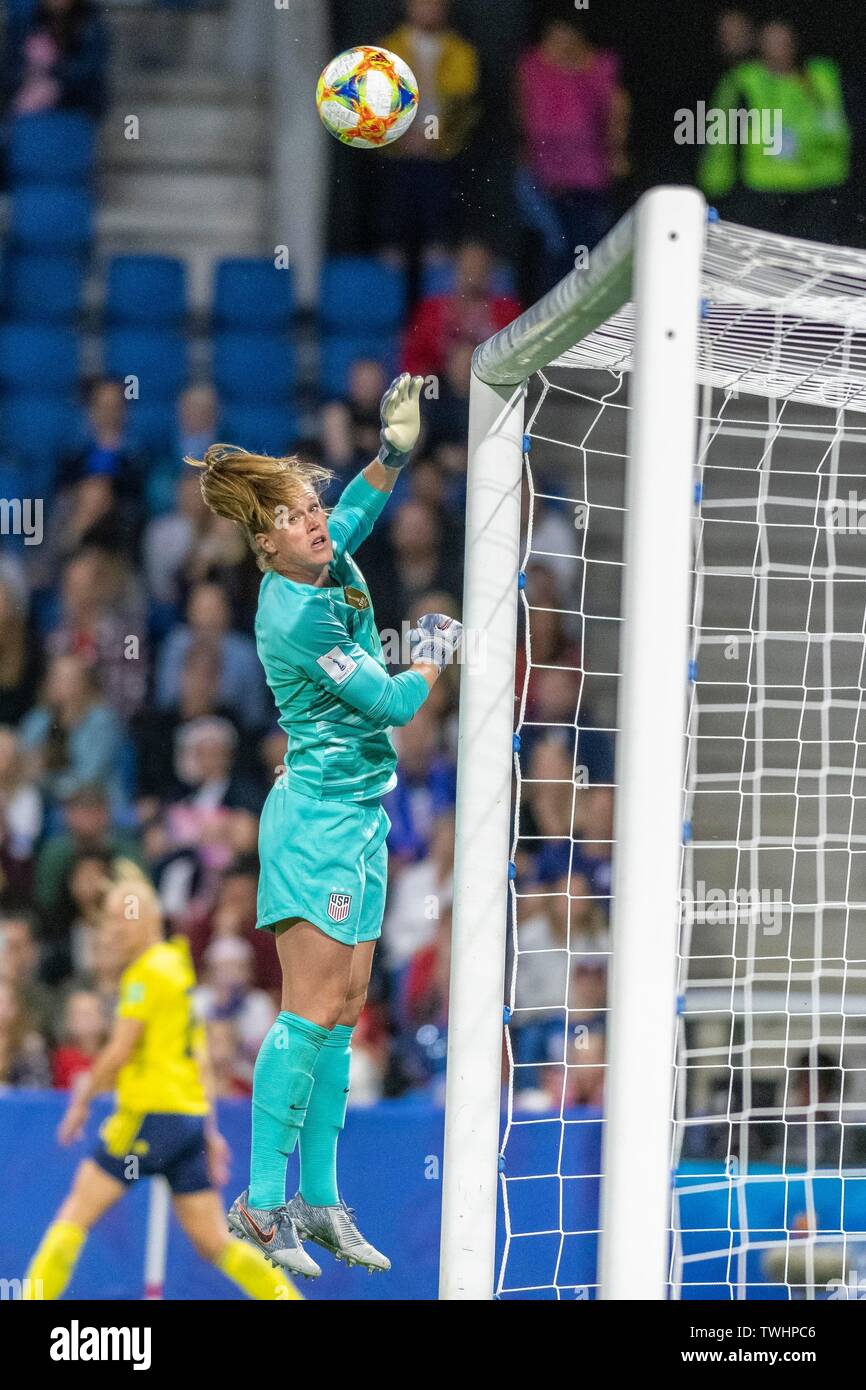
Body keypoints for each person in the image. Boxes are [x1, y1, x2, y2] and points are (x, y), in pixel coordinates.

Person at [187, 373, 463, 1275]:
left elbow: (359, 518)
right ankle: (262, 1202)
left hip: (358, 816)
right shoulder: (295, 612)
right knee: (307, 1013)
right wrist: (431, 655)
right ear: (264, 543)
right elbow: (387, 700)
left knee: (344, 1011)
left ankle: (321, 1200)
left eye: (315, 504)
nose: (318, 519)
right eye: (301, 513)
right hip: (312, 825)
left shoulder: (321, 555)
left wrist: (390, 455)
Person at [22, 860, 299, 1301]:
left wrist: (81, 1101)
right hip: (185, 1123)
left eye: (119, 917)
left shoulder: (145, 974)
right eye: (106, 919)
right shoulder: (177, 966)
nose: (111, 929)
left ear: (146, 918)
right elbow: (198, 1058)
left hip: (149, 1116)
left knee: (73, 1215)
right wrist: (208, 1131)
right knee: (214, 1243)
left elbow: (118, 1052)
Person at [698, 19, 851, 242]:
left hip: (819, 186)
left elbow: (840, 126)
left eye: (783, 42)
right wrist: (714, 188)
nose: (778, 49)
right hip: (763, 187)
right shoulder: (744, 79)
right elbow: (720, 135)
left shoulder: (821, 76)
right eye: (770, 42)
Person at [517, 16, 629, 289]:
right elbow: (523, 113)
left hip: (587, 180)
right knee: (553, 249)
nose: (562, 42)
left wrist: (616, 151)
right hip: (545, 180)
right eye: (555, 35)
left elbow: (618, 111)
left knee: (587, 253)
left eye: (568, 35)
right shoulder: (532, 66)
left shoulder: (599, 66)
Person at [377, 0, 480, 263]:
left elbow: (461, 101)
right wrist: (401, 134)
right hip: (399, 145)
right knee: (397, 208)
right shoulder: (389, 48)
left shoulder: (459, 51)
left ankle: (437, 252)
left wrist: (433, 137)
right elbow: (374, 100)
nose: (428, 9)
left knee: (437, 209)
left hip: (440, 147)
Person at [5, 0, 109, 120]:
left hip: (74, 109)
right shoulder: (28, 23)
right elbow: (11, 69)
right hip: (26, 110)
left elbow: (88, 72)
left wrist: (55, 86)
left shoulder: (90, 27)